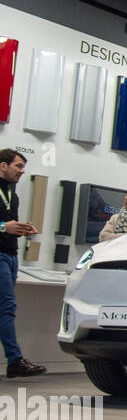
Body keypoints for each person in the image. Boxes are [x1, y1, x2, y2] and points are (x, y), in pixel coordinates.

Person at [0, 149, 46, 378]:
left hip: (10, 255)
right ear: (2, 166)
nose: (22, 171)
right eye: (18, 166)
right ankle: (14, 360)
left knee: (5, 309)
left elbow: (8, 225)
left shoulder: (13, 195)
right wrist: (3, 227)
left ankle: (14, 360)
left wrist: (24, 230)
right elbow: (3, 226)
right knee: (6, 308)